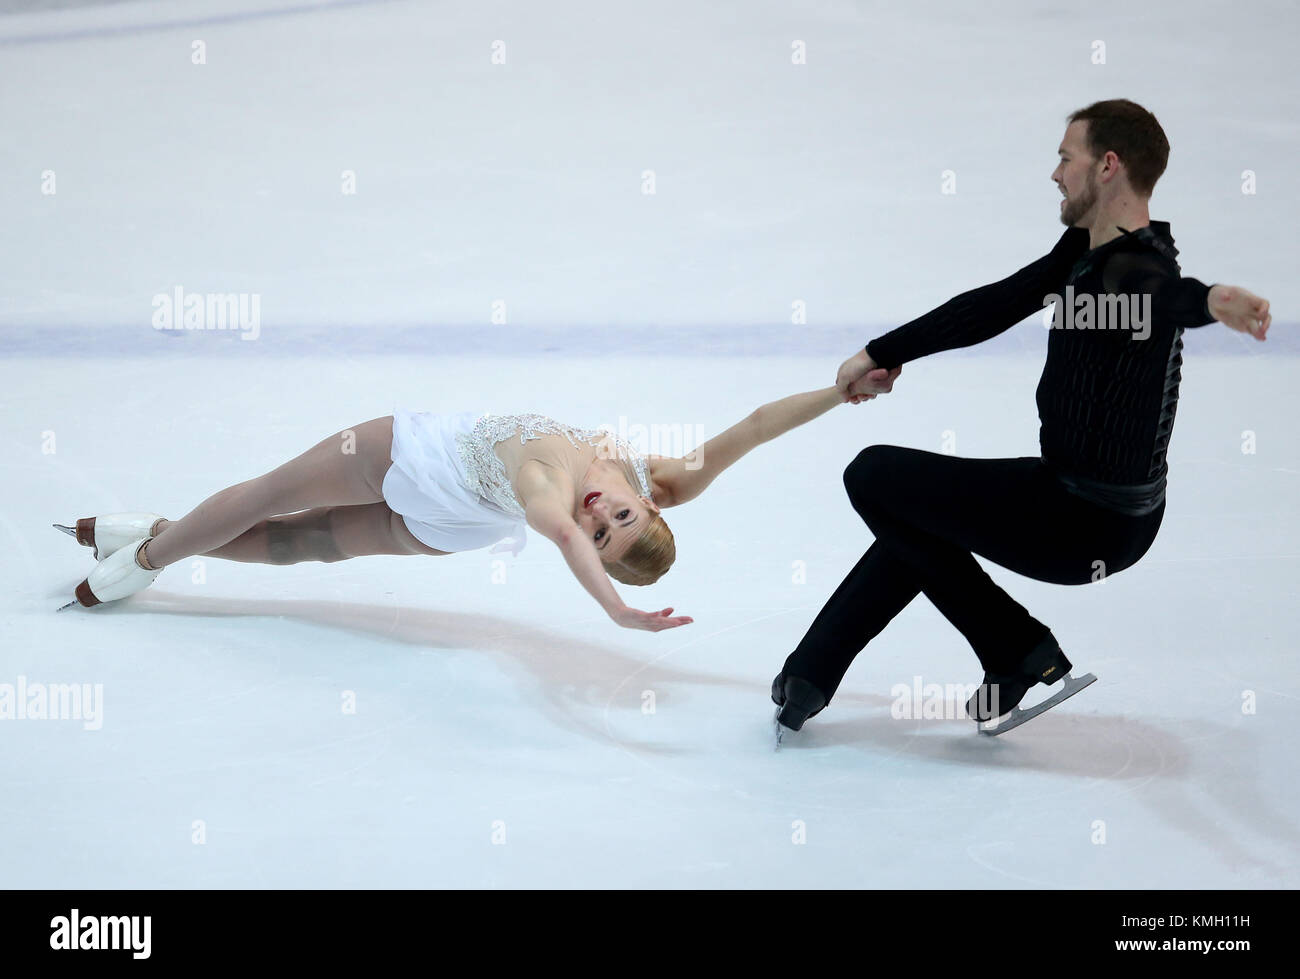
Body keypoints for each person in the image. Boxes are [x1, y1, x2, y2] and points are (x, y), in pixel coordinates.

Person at [773, 98, 1272, 731]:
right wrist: (884, 353)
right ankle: (811, 675)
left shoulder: (1133, 267)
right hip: (1083, 500)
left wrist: (1212, 299)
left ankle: (1016, 644)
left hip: (1085, 521)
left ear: (1108, 165)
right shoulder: (1085, 251)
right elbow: (994, 306)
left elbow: (1164, 296)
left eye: (1067, 158)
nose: (1056, 173)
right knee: (921, 515)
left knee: (874, 475)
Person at [59, 376, 900, 629]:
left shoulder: (549, 496)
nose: (604, 515)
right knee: (274, 500)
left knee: (294, 543)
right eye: (625, 518)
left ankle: (150, 549)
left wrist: (613, 611)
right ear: (656, 507)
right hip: (409, 461)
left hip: (451, 515)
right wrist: (840, 389)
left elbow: (566, 547)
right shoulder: (658, 475)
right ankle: (149, 552)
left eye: (603, 531)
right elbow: (752, 428)